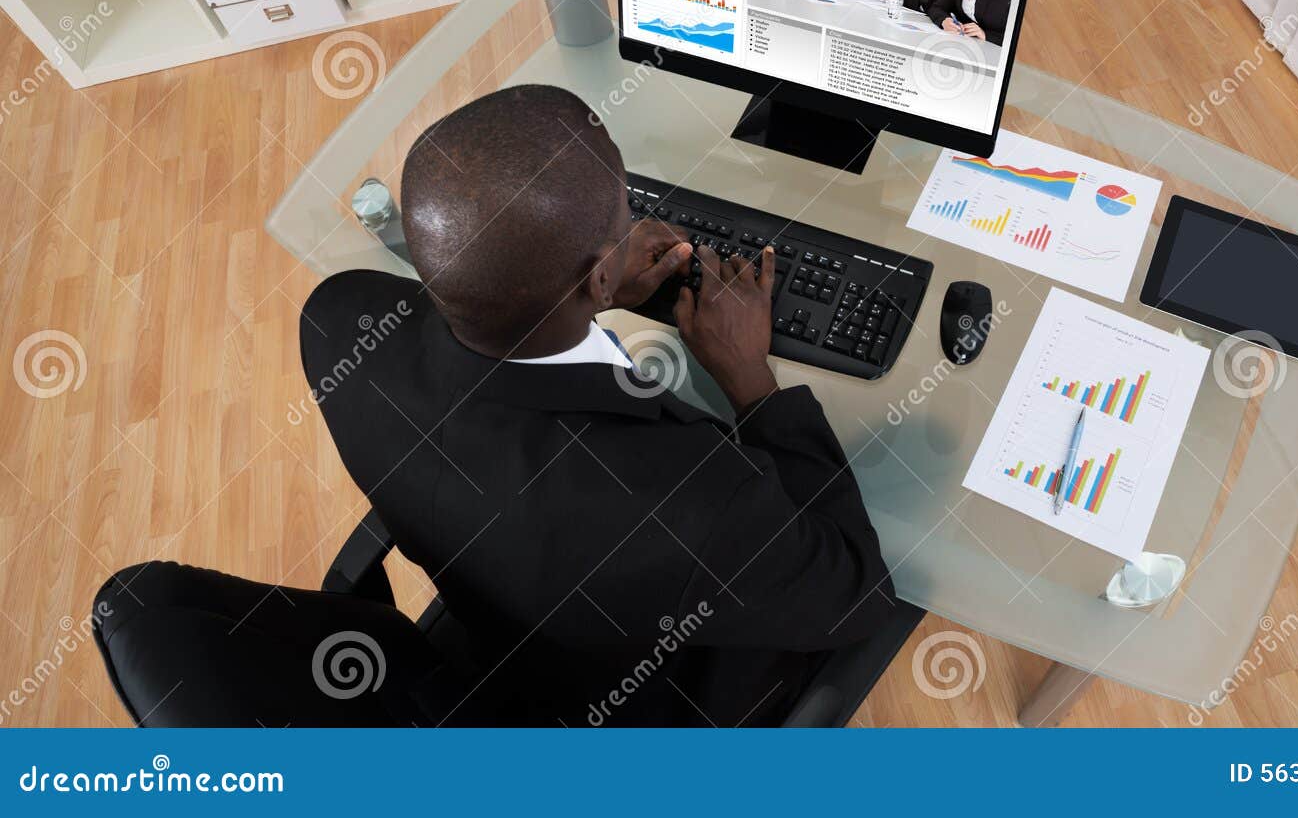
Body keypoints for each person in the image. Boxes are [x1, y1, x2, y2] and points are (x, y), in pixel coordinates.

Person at [299, 86, 896, 727]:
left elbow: (486, 297)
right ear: (597, 277)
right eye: (626, 217)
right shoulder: (685, 503)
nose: (634, 224)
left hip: (512, 635)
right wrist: (751, 381)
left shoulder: (337, 322)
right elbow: (858, 591)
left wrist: (581, 296)